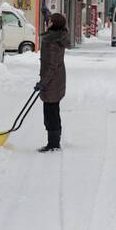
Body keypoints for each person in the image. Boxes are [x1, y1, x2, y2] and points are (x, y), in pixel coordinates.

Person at [36, 11, 69, 152]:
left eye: (50, 21)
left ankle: (54, 143)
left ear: (53, 25)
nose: (47, 23)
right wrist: (47, 14)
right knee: (53, 110)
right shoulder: (57, 36)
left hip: (52, 82)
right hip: (56, 80)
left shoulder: (51, 42)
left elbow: (51, 66)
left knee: (50, 114)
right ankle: (55, 139)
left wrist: (43, 82)